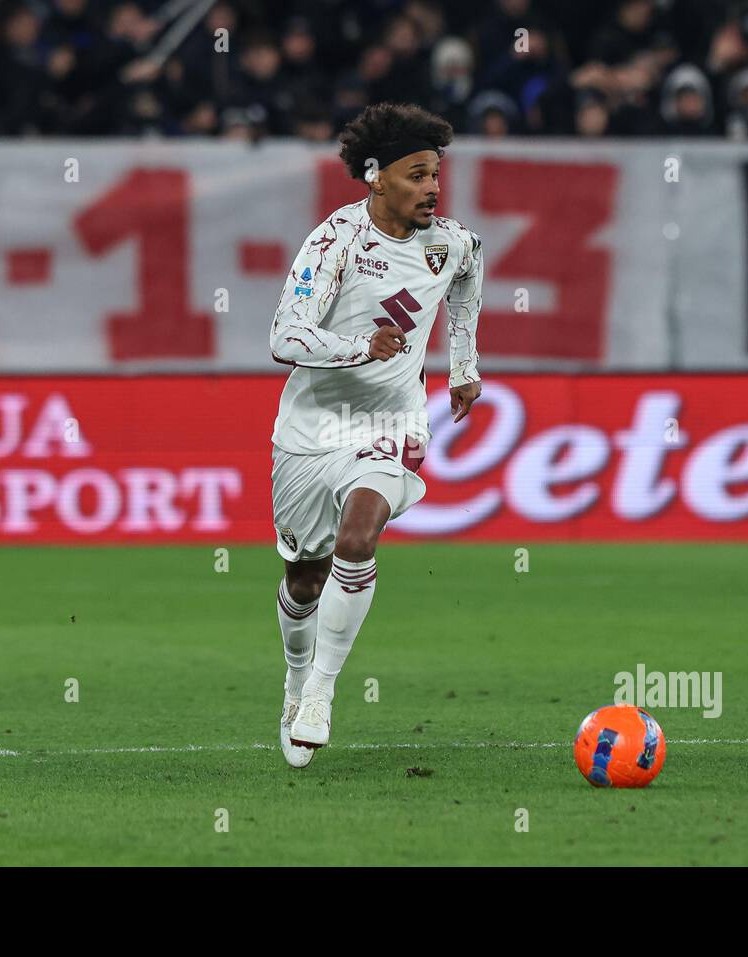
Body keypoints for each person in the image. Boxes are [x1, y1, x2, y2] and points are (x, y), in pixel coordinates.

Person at [267, 102, 484, 767]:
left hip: (393, 421)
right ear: (375, 178)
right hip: (312, 427)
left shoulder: (449, 241)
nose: (432, 188)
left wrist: (465, 364)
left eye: (436, 174)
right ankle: (297, 681)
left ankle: (324, 693)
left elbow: (470, 274)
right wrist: (361, 346)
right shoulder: (336, 241)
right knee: (304, 576)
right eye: (416, 175)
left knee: (357, 540)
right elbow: (284, 336)